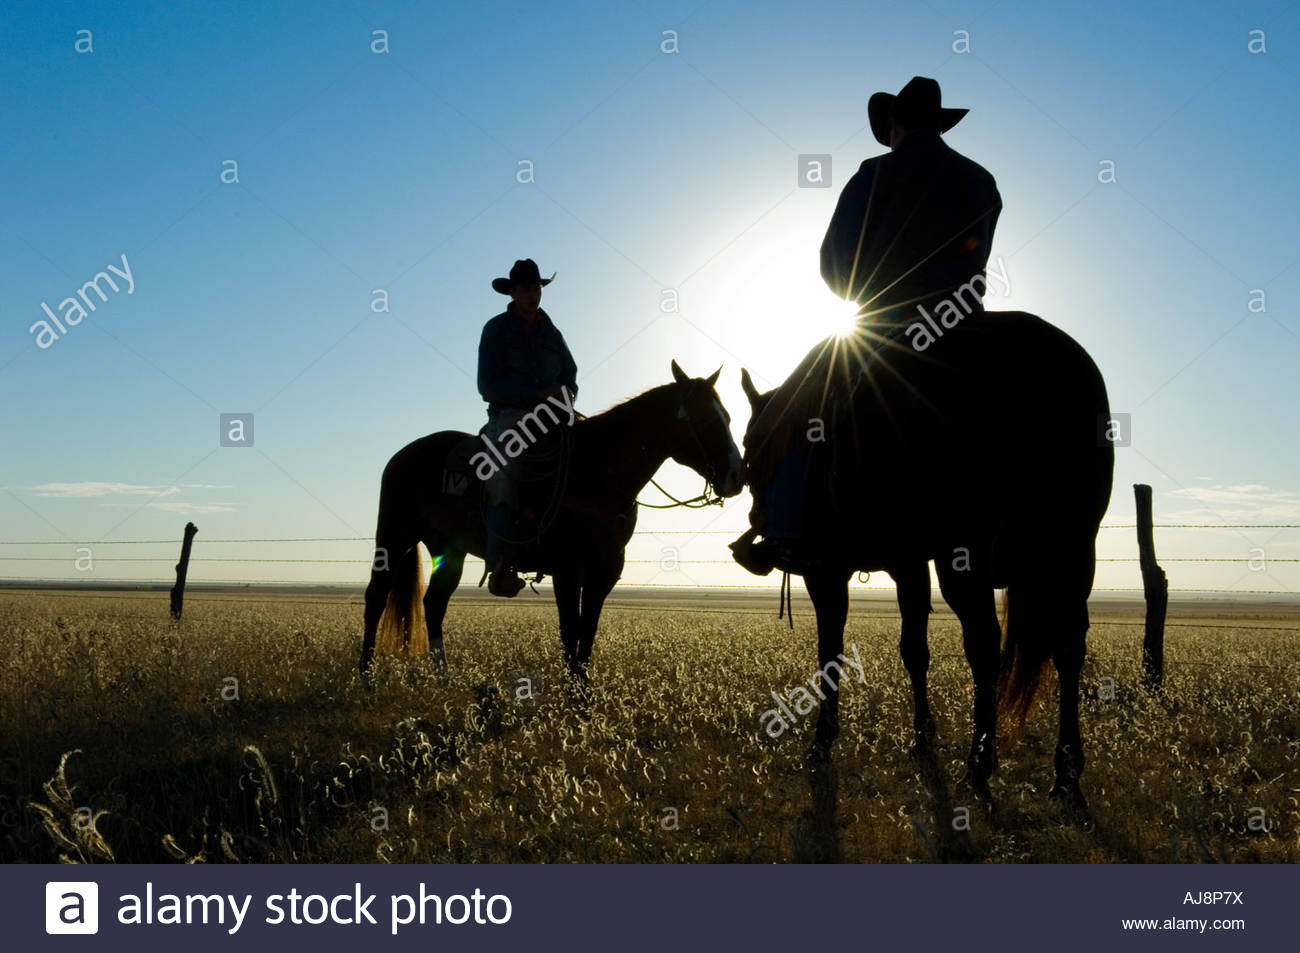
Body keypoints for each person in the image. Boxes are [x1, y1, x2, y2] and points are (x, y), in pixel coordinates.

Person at [733, 76, 1003, 575]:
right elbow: (975, 258)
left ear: (896, 124)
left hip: (885, 328)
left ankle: (785, 534)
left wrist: (866, 293)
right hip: (967, 322)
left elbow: (832, 263)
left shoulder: (873, 173)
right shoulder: (980, 180)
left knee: (789, 413)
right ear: (938, 123)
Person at [477, 258, 579, 596]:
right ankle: (500, 563)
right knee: (503, 473)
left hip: (553, 414)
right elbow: (487, 384)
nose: (532, 294)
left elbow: (570, 374)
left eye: (536, 288)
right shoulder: (496, 329)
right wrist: (536, 393)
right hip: (510, 415)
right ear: (513, 292)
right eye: (524, 289)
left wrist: (565, 396)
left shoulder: (553, 332)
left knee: (587, 458)